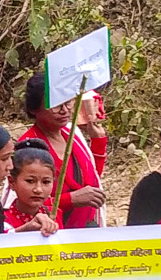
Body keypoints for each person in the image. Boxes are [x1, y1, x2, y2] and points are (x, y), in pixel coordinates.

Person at [19, 75, 105, 229]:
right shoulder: (28, 147)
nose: (64, 110)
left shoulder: (74, 134)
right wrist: (70, 200)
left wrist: (98, 142)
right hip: (53, 233)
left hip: (88, 228)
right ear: (34, 109)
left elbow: (92, 180)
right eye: (56, 106)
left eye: (68, 103)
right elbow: (20, 202)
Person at [4, 145, 62, 233]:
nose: (38, 189)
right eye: (30, 181)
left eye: (46, 182)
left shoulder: (54, 214)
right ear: (12, 182)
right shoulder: (0, 219)